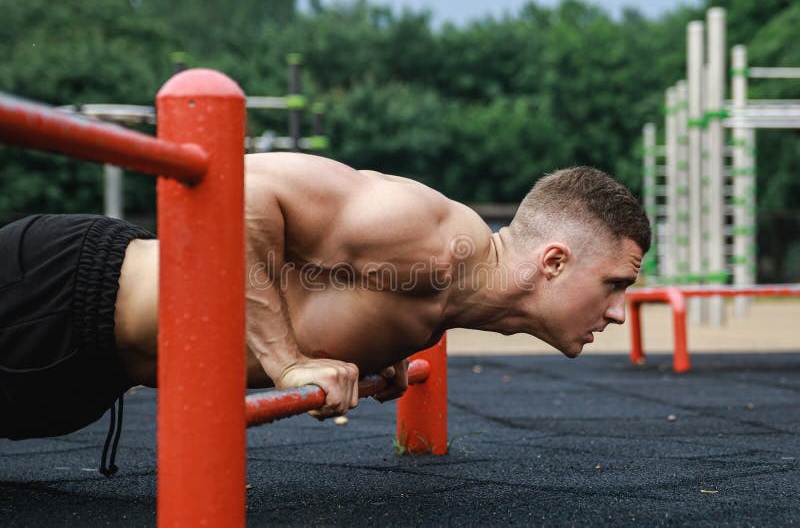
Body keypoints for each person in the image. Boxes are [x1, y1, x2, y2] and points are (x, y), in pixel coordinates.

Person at [1, 152, 650, 445]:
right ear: (556, 262)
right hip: (54, 291)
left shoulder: (434, 312)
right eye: (615, 284)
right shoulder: (433, 240)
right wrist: (286, 360)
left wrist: (379, 351)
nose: (619, 311)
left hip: (86, 375)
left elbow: (328, 291)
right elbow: (242, 188)